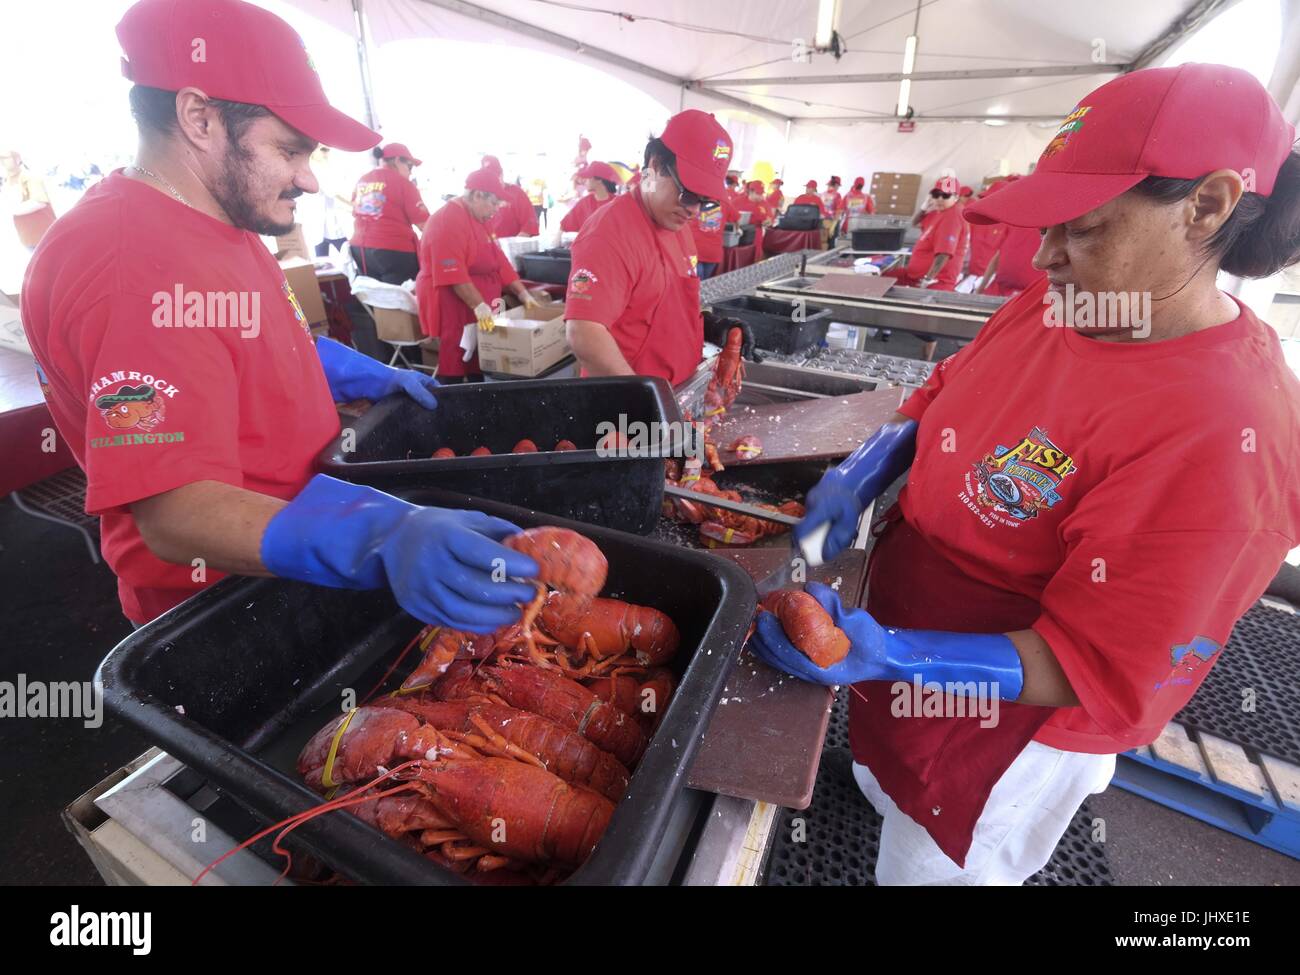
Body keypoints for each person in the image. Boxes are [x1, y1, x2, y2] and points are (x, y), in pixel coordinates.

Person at [753, 62, 1300, 885]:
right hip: (907, 641)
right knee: (883, 784)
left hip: (1004, 724)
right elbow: (944, 391)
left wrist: (900, 656)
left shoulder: (1227, 429)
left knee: (929, 864)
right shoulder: (1064, 301)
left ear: (1209, 205)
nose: (1043, 257)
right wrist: (865, 469)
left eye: (1082, 227)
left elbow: (1097, 663)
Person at [21, 0, 542, 632]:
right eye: (290, 149)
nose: (310, 180)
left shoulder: (219, 216)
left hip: (301, 538)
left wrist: (338, 367)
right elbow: (177, 514)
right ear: (198, 116)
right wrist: (379, 536)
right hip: (222, 601)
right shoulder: (131, 267)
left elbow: (227, 346)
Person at [564, 109, 757, 382]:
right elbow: (583, 334)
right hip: (625, 411)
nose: (693, 210)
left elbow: (663, 304)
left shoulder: (676, 221)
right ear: (654, 166)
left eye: (704, 201)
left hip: (674, 393)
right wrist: (647, 402)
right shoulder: (609, 234)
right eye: (688, 193)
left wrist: (709, 326)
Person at [417, 168, 539, 383]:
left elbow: (498, 258)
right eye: (493, 204)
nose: (495, 211)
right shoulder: (448, 220)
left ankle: (478, 392)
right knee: (455, 354)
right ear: (477, 195)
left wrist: (522, 294)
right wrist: (479, 306)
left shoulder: (481, 217)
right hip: (452, 298)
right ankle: (449, 401)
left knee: (480, 354)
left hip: (476, 297)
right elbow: (452, 273)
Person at [349, 142, 428, 283]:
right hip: (393, 252)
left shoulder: (363, 180)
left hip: (360, 250)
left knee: (377, 298)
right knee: (402, 301)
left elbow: (355, 209)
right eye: (410, 167)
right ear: (397, 160)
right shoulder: (403, 184)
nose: (410, 172)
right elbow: (425, 225)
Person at [1, 149, 57, 250]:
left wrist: (12, 209)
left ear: (17, 159)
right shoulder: (7, 182)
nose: (2, 161)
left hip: (45, 234)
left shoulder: (30, 176)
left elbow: (40, 202)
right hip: (27, 238)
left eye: (5, 157)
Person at [482, 155, 539, 238]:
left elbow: (529, 223)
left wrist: (514, 245)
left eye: (497, 175)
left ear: (502, 174)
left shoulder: (516, 193)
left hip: (515, 247)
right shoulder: (480, 197)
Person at [692, 183, 739, 280]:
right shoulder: (724, 203)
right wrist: (738, 229)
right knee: (704, 283)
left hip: (695, 250)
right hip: (712, 252)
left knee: (697, 284)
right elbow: (736, 217)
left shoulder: (693, 199)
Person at [560, 161, 620, 233]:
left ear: (599, 180)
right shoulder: (584, 203)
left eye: (588, 177)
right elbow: (564, 225)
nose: (585, 181)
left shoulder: (618, 204)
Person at [734, 179, 771, 256]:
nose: (761, 196)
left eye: (762, 194)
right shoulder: (737, 201)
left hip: (756, 234)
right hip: (738, 232)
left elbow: (769, 218)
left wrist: (768, 221)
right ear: (750, 192)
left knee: (754, 255)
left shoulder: (765, 204)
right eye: (758, 193)